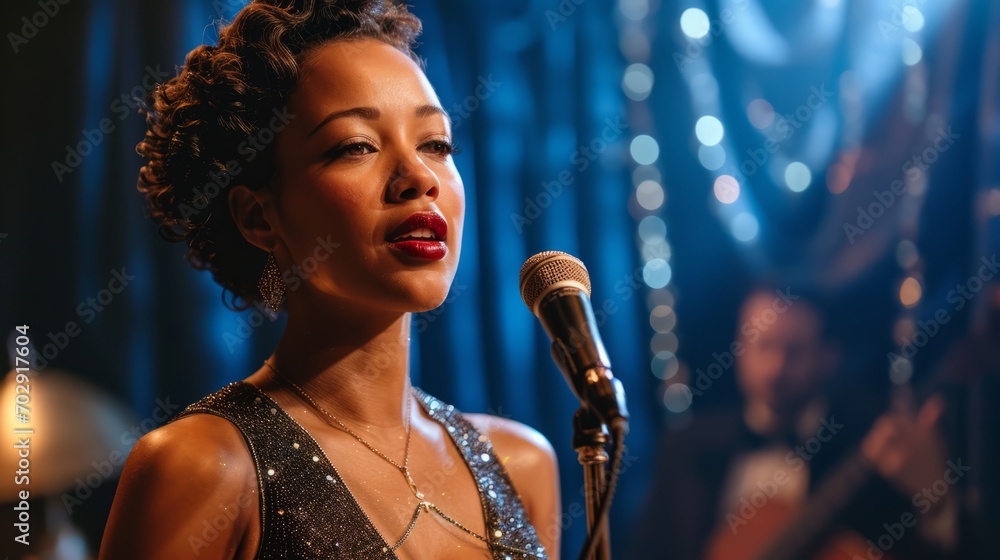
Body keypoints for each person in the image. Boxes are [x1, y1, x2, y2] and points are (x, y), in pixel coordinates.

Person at [98, 1, 560, 558]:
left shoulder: (522, 463)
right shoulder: (204, 466)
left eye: (435, 143)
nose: (419, 177)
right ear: (258, 217)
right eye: (356, 146)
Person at [627, 285, 962, 560]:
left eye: (794, 351)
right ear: (740, 349)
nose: (775, 368)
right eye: (764, 346)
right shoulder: (687, 445)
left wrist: (937, 497)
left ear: (830, 357)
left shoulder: (869, 441)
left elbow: (932, 550)